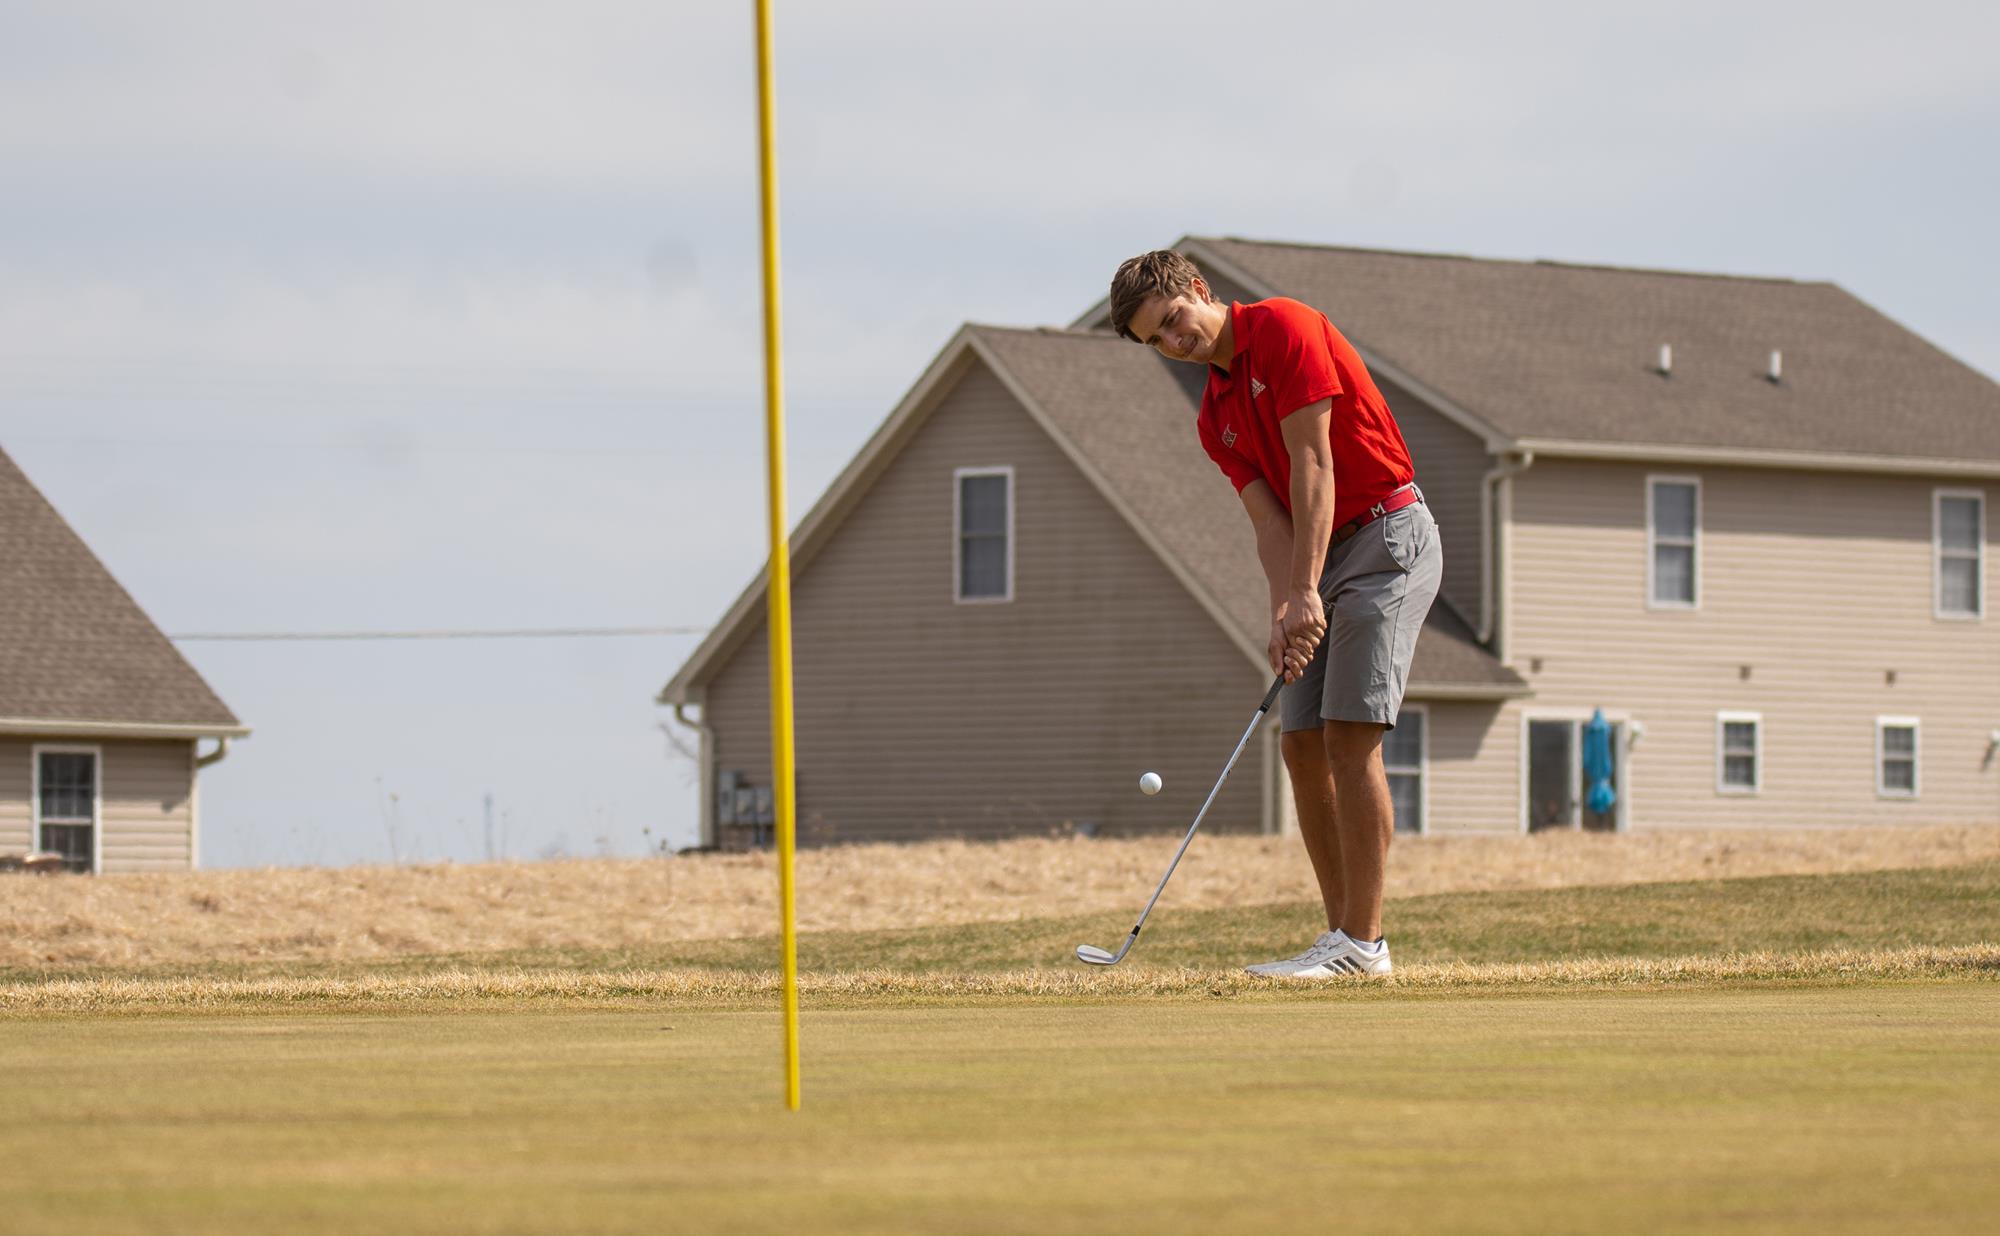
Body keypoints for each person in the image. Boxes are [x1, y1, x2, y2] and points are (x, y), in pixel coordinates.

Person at [1108, 249, 1442, 978]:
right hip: (1320, 559)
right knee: (1301, 746)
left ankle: (1365, 943)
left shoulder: (1286, 328)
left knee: (1351, 738)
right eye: (1156, 341)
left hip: (1387, 537)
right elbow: (1270, 522)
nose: (1174, 343)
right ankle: (1339, 938)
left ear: (1198, 289)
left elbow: (1313, 466)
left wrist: (1309, 588)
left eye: (1173, 321)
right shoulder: (1214, 416)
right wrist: (1284, 609)